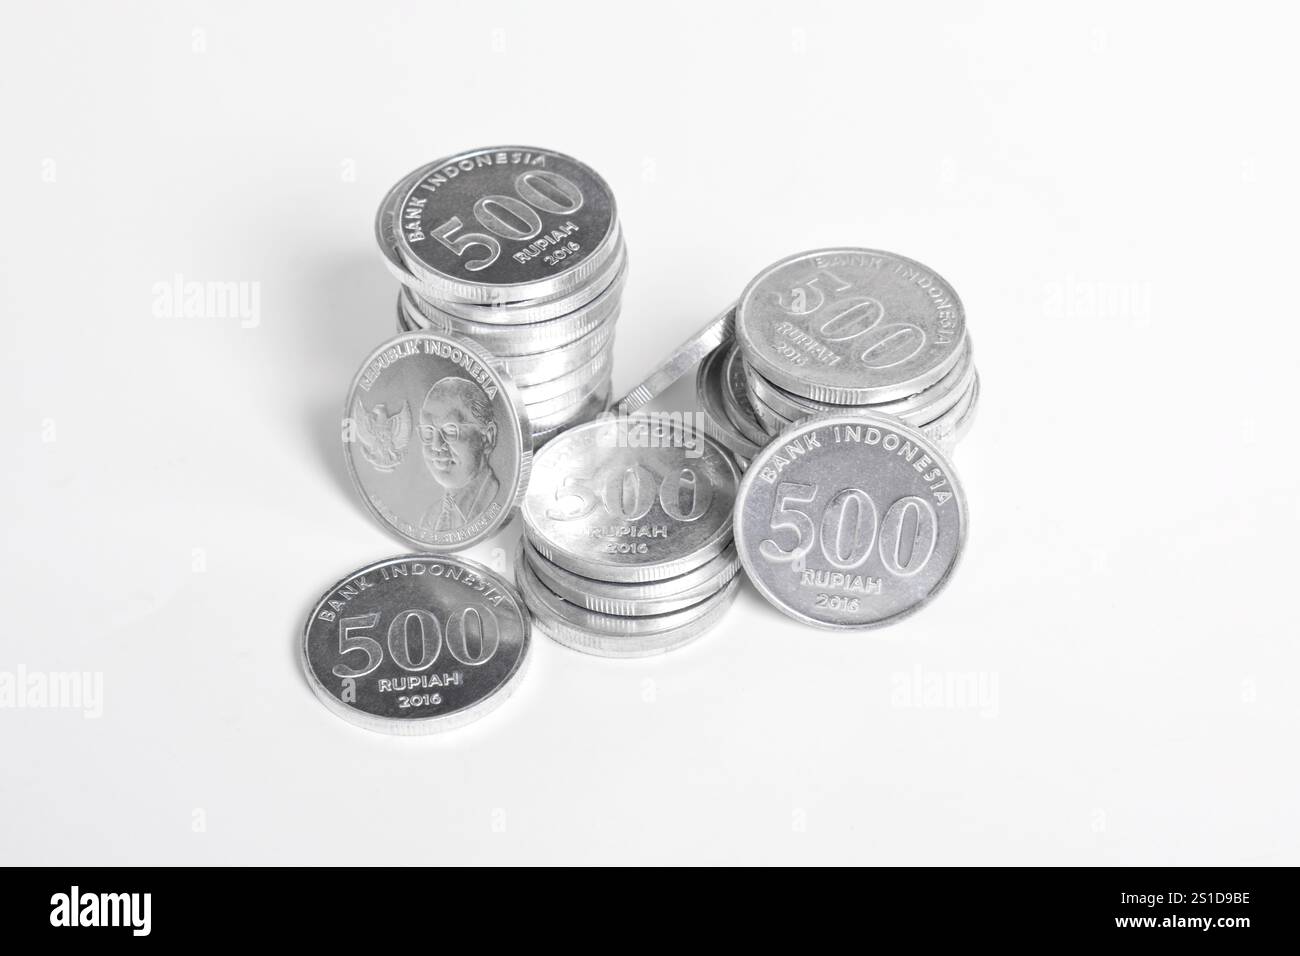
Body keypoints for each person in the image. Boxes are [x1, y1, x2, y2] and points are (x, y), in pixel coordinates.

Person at [417, 377, 500, 534]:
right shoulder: (430, 517)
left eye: (450, 430)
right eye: (428, 431)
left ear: (487, 438)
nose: (435, 445)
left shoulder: (492, 503)